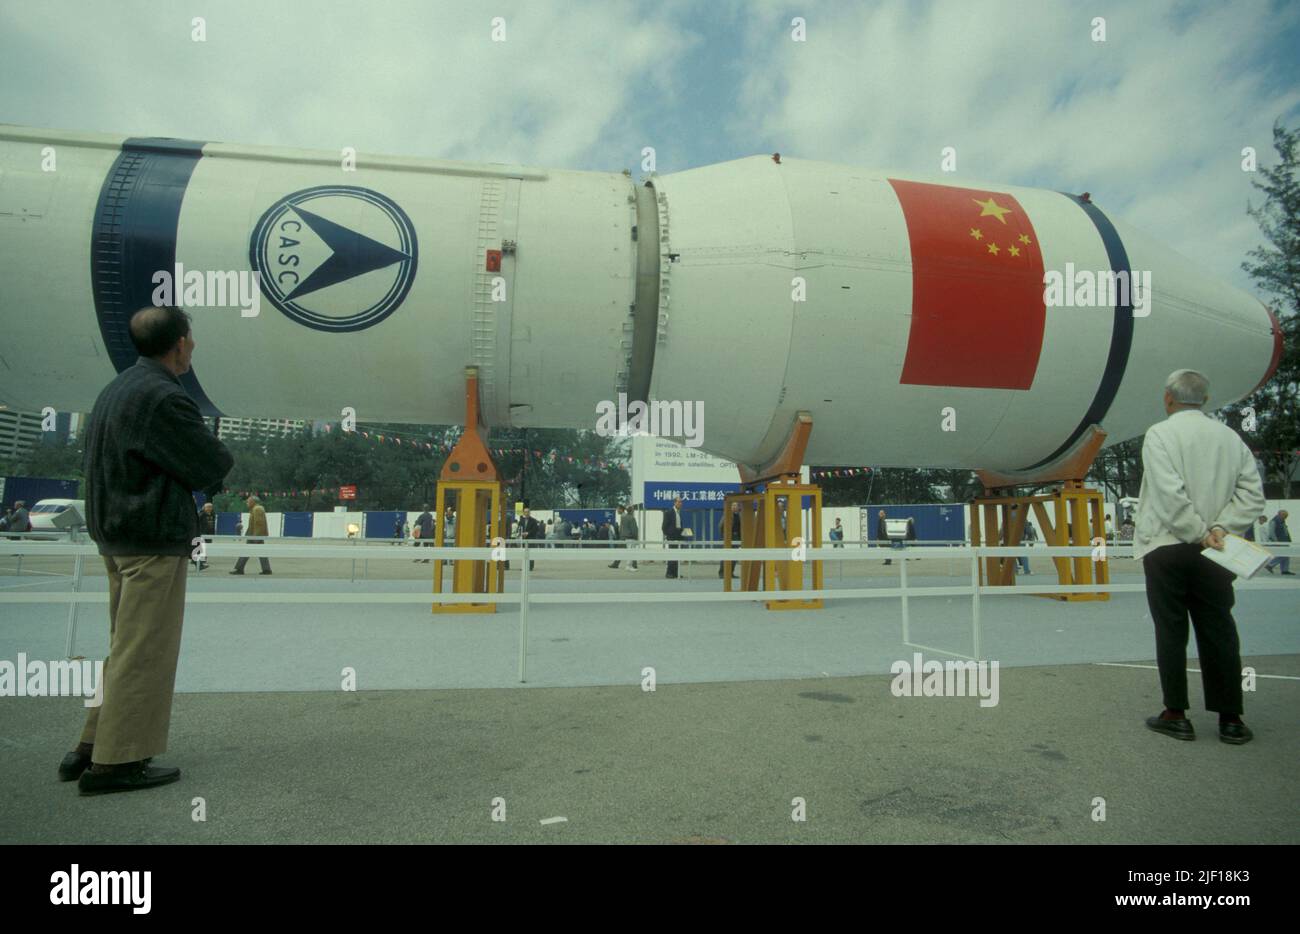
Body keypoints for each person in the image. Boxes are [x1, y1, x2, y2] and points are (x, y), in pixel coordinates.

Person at [66, 305, 233, 795]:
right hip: (150, 540)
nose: (193, 346)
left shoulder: (116, 389)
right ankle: (117, 764)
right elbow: (211, 461)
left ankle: (91, 745)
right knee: (145, 653)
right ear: (178, 343)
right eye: (190, 338)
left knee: (124, 648)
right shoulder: (163, 397)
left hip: (115, 537)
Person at [1133, 370, 1265, 745]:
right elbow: (1253, 496)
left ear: (1167, 398)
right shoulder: (1230, 438)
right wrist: (1221, 529)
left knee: (1171, 629)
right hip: (1217, 552)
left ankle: (1176, 713)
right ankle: (1231, 719)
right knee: (1219, 629)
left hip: (1168, 546)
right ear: (1206, 401)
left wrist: (1196, 531)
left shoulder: (1160, 434)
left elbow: (1168, 494)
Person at [231, 496, 271, 575]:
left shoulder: (257, 509)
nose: (247, 503)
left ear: (253, 502)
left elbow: (259, 524)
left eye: (248, 502)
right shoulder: (255, 509)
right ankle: (266, 569)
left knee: (246, 551)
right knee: (261, 552)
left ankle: (239, 569)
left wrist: (256, 537)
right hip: (254, 535)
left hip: (255, 535)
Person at [611, 504, 639, 570]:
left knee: (623, 550)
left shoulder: (624, 516)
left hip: (624, 537)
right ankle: (632, 564)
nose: (617, 510)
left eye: (618, 509)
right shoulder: (630, 517)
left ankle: (617, 564)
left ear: (622, 509)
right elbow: (634, 529)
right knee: (630, 550)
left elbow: (624, 528)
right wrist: (636, 537)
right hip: (627, 537)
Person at [1264, 510, 1292, 575]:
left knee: (1286, 555)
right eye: (1284, 516)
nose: (1285, 517)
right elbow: (1271, 533)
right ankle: (1270, 565)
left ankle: (1285, 570)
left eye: (1286, 516)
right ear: (1279, 514)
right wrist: (1276, 542)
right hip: (1279, 542)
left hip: (1285, 541)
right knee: (1284, 555)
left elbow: (1285, 531)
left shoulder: (1282, 521)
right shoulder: (1274, 521)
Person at [718, 501, 741, 578]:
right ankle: (722, 573)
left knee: (734, 557)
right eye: (733, 505)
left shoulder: (739, 516)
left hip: (736, 538)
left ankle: (730, 573)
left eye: (736, 505)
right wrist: (724, 536)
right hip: (728, 538)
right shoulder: (726, 515)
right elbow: (720, 526)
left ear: (738, 507)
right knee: (725, 556)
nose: (734, 507)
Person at [662, 497, 684, 578]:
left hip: (678, 537)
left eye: (681, 502)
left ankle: (675, 573)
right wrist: (668, 535)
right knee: (672, 555)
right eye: (679, 502)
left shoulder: (678, 513)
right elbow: (664, 526)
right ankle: (669, 573)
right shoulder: (669, 512)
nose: (680, 504)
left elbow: (679, 525)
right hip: (672, 537)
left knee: (677, 556)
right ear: (674, 503)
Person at [196, 501, 216, 571]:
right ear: (204, 507)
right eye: (208, 507)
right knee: (202, 547)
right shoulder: (201, 514)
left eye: (210, 507)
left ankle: (203, 559)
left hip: (210, 533)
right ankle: (200, 561)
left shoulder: (213, 514)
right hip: (202, 533)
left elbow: (213, 524)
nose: (209, 508)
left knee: (207, 547)